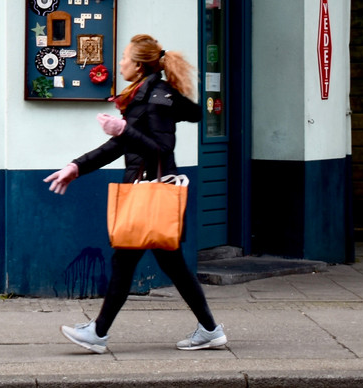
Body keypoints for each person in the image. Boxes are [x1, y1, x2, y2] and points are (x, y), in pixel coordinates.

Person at [43, 34, 227, 353]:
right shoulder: (146, 96)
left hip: (150, 192)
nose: (121, 63)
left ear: (139, 65)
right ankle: (210, 329)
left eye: (126, 58)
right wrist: (76, 167)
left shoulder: (156, 98)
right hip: (149, 191)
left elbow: (160, 149)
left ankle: (98, 333)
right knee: (171, 267)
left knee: (128, 262)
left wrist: (124, 129)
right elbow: (120, 146)